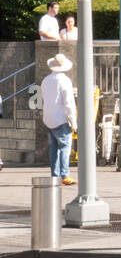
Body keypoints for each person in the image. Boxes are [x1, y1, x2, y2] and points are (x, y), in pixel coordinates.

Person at [40, 53, 77, 186]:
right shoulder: (65, 81)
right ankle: (65, 175)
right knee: (65, 147)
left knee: (53, 148)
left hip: (48, 118)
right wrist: (73, 122)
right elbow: (68, 103)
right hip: (61, 119)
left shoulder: (45, 80)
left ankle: (54, 175)